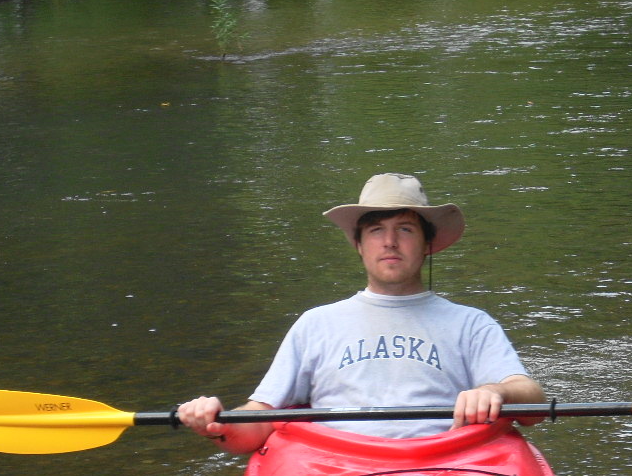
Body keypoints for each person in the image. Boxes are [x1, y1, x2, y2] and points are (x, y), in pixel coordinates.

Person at [178, 172, 545, 453]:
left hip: (448, 460)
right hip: (339, 464)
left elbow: (533, 403)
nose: (389, 242)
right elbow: (259, 422)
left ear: (427, 244)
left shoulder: (471, 324)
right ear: (358, 244)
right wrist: (217, 421)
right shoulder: (316, 324)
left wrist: (495, 391)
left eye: (404, 229)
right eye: (375, 231)